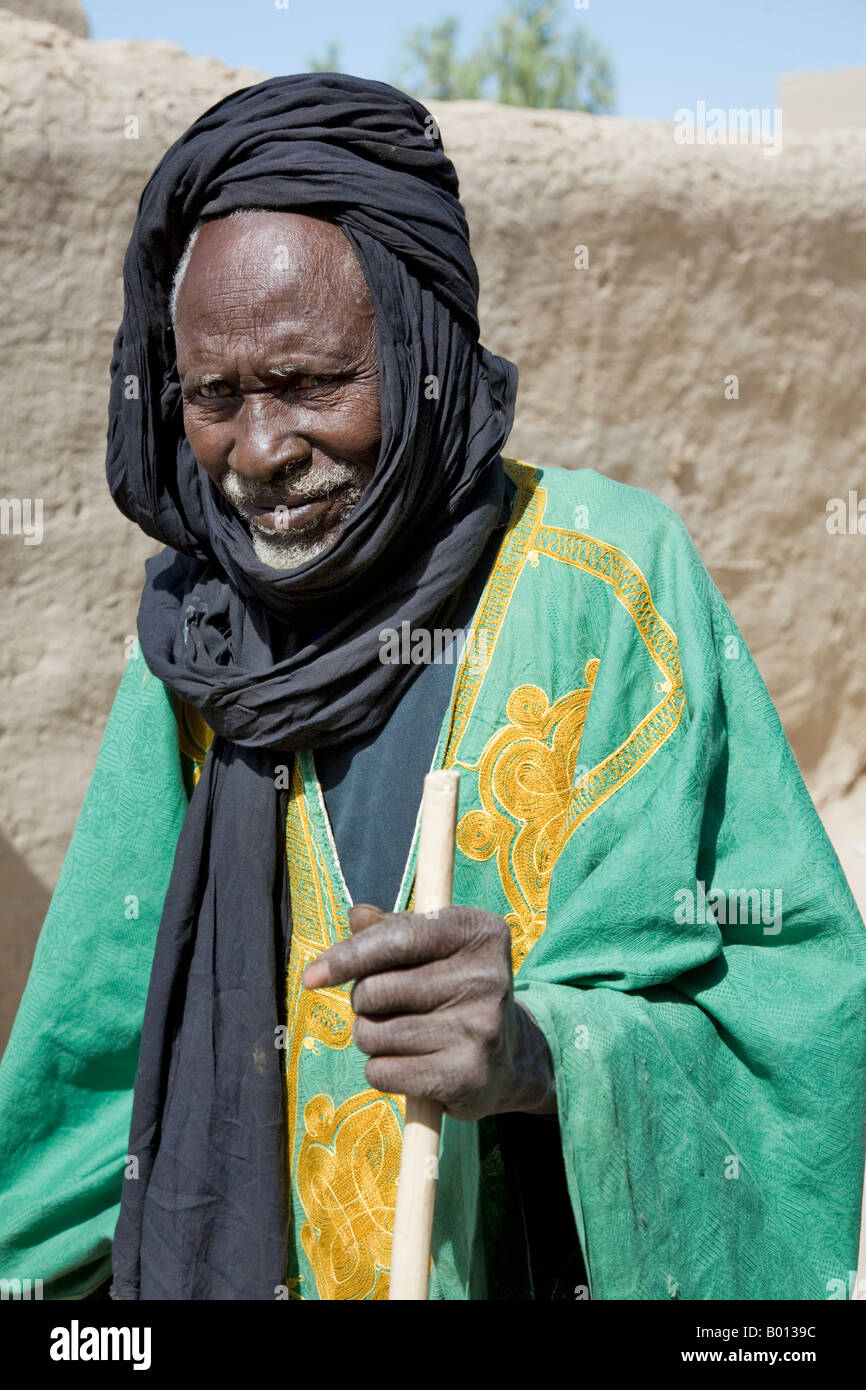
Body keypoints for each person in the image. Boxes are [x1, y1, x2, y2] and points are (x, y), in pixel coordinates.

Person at [1, 72, 864, 1303]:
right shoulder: (199, 647)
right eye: (213, 397)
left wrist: (538, 1052)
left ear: (420, 351)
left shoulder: (603, 587)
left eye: (309, 384)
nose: (259, 450)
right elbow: (90, 1072)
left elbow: (795, 1014)